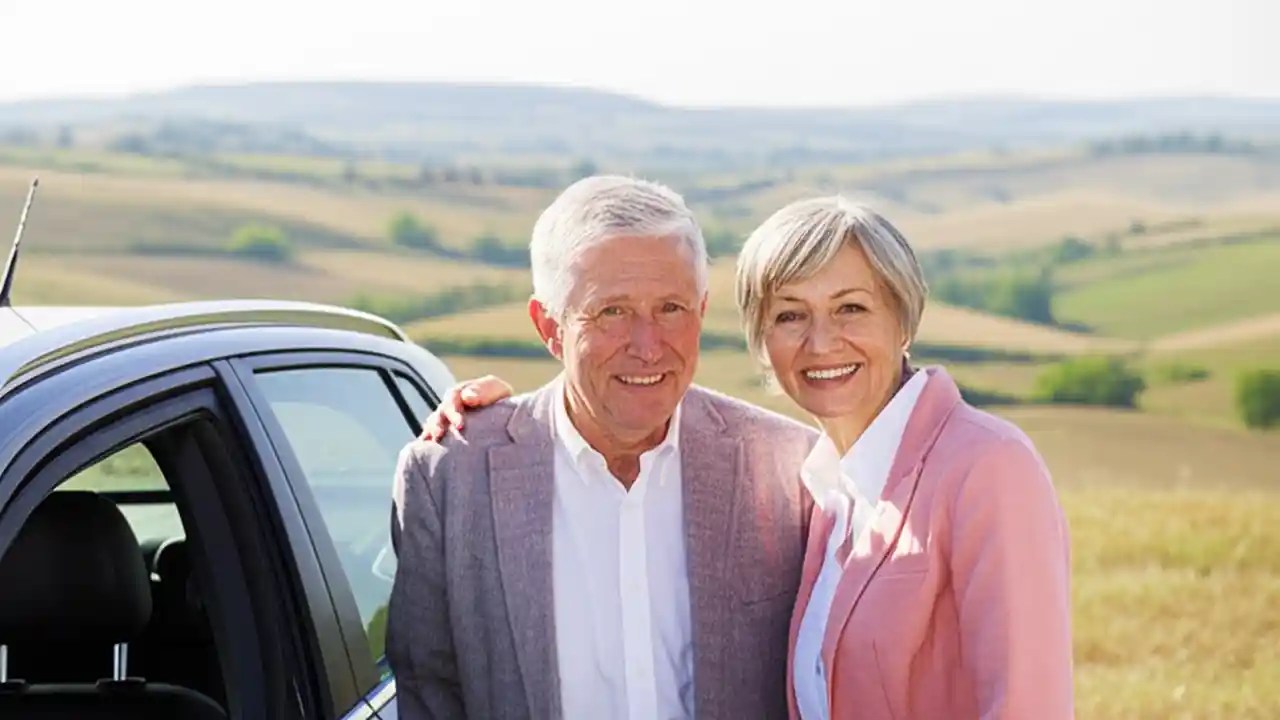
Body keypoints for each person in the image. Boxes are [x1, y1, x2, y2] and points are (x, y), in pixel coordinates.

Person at [425, 197, 1075, 719]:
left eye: (851, 308)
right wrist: (503, 425)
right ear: (763, 340)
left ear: (903, 319)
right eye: (790, 316)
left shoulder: (987, 467)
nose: (822, 343)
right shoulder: (817, 487)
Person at [386, 175, 816, 720]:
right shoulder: (451, 477)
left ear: (702, 311)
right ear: (550, 326)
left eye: (671, 309)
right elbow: (429, 695)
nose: (647, 345)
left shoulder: (791, 467)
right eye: (612, 311)